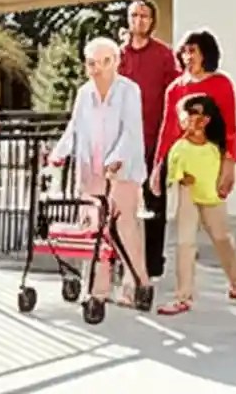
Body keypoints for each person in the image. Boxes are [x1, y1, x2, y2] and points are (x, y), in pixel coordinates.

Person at [48, 37, 154, 309]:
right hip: (91, 174)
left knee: (125, 230)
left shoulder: (129, 90)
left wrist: (115, 160)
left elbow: (131, 131)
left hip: (123, 173)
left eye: (103, 62)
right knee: (94, 232)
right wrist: (59, 152)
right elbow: (74, 127)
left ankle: (139, 284)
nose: (96, 69)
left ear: (115, 62)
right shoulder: (85, 93)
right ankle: (98, 290)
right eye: (91, 63)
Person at [156, 94, 236, 315]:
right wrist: (179, 178)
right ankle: (183, 296)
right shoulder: (179, 148)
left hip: (212, 198)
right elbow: (172, 172)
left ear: (205, 120)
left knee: (221, 238)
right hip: (188, 195)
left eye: (192, 114)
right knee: (185, 243)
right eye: (184, 115)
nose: (186, 119)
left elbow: (223, 167)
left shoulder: (216, 148)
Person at [118, 0, 181, 279]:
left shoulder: (165, 55)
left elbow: (175, 95)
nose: (139, 20)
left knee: (154, 204)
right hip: (123, 143)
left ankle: (154, 263)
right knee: (122, 204)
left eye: (144, 16)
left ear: (152, 21)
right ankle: (124, 259)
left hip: (155, 142)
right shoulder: (118, 56)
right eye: (134, 16)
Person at [151, 28, 236, 201]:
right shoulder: (175, 88)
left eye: (192, 51)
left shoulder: (222, 84)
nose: (187, 57)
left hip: (212, 160)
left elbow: (230, 126)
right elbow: (167, 130)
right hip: (184, 161)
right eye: (184, 51)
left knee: (213, 218)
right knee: (186, 219)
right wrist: (158, 166)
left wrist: (229, 163)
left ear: (206, 53)